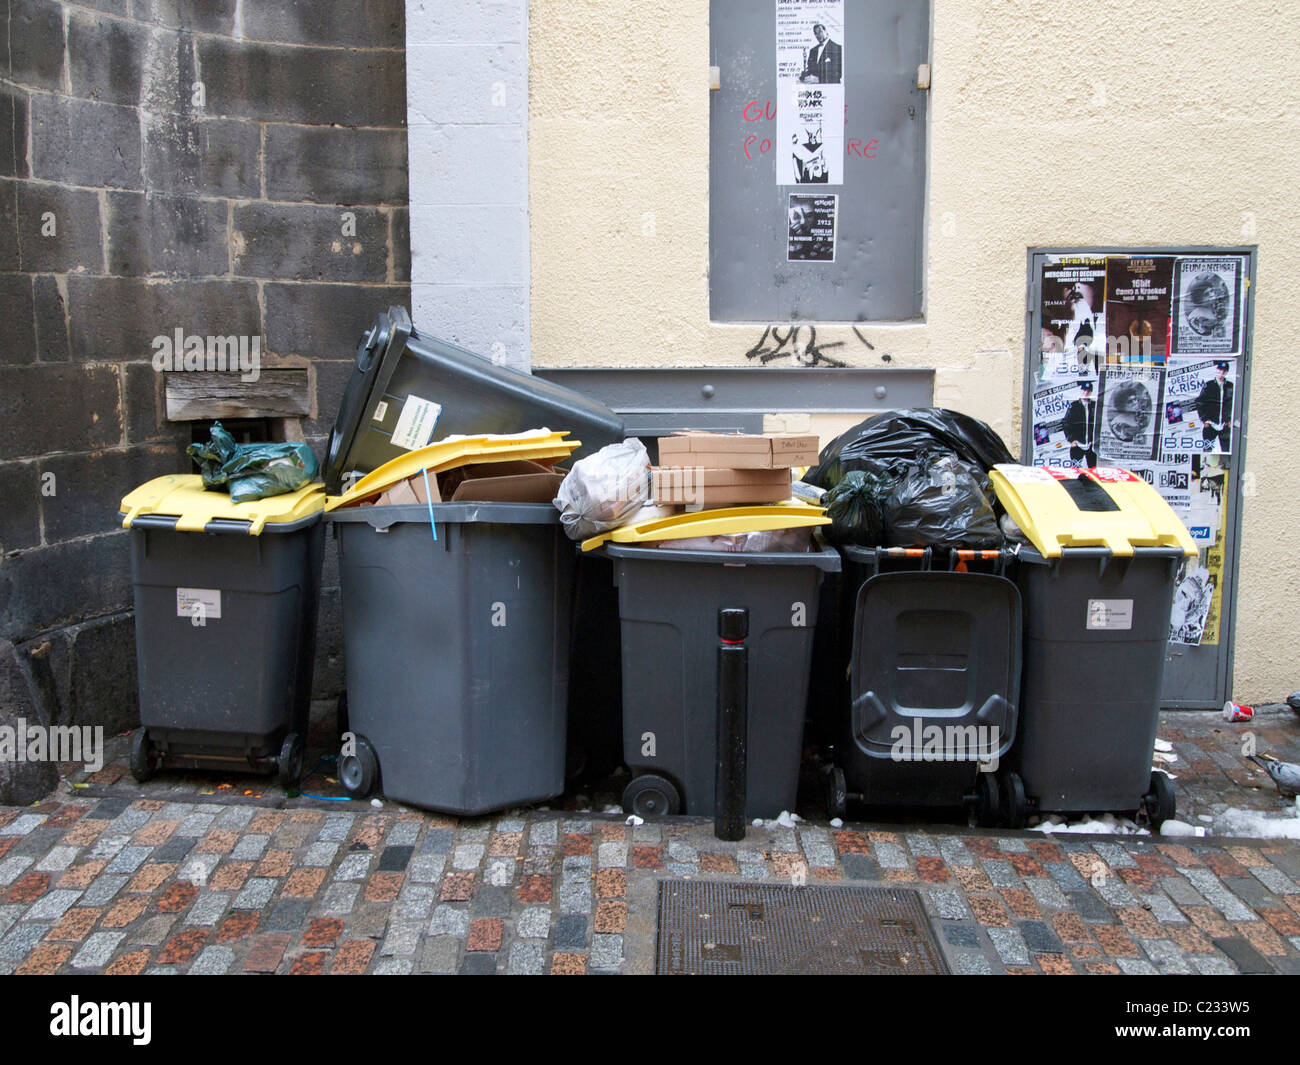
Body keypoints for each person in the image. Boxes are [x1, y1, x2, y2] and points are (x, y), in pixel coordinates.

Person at [1194, 361, 1234, 452]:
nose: (1221, 372)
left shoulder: (1230, 386)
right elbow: (1200, 402)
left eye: (1224, 370)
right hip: (1211, 424)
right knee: (1207, 450)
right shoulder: (1209, 385)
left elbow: (1233, 403)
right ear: (1216, 370)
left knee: (1226, 450)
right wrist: (1205, 420)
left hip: (1224, 425)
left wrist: (1230, 419)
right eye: (1220, 370)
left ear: (1227, 372)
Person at [1062, 380, 1099, 466]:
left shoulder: (1095, 406)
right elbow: (1066, 423)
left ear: (1091, 392)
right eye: (1084, 390)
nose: (1086, 392)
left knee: (1092, 469)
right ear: (1080, 390)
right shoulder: (1074, 406)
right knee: (1075, 469)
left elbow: (1099, 423)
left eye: (1088, 390)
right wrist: (1071, 440)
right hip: (1077, 444)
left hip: (1091, 445)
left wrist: (1096, 440)